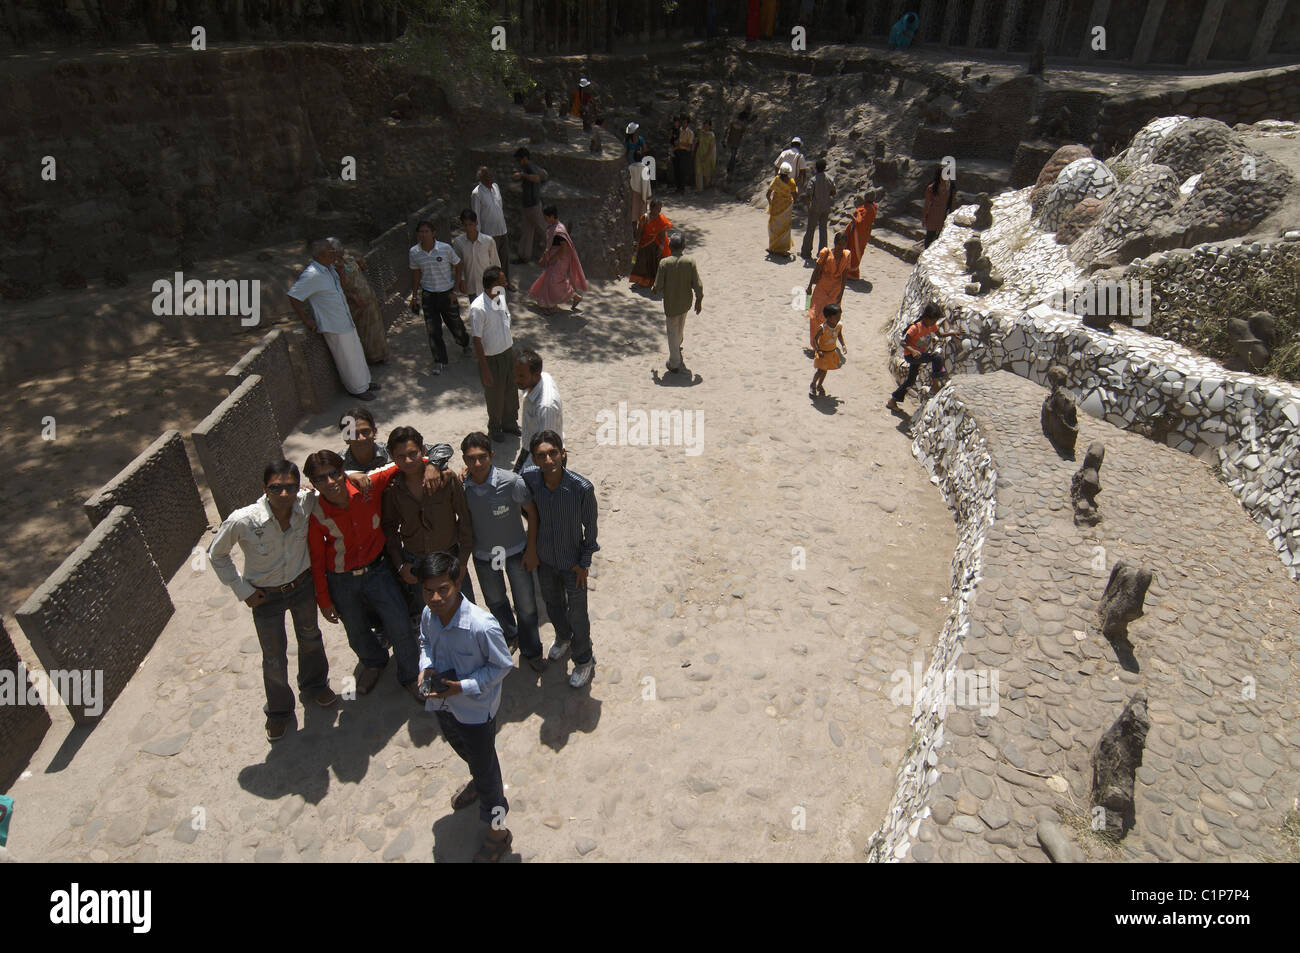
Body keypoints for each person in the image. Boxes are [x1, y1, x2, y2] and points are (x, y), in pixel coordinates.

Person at [208, 460, 338, 742]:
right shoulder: (243, 520)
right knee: (274, 657)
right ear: (264, 488)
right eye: (275, 487)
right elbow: (216, 554)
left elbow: (338, 480)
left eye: (290, 487)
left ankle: (315, 685)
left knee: (311, 637)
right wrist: (243, 590)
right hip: (265, 596)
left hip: (301, 586)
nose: (283, 494)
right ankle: (279, 711)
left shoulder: (305, 502)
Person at [414, 552, 514, 863]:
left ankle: (499, 833)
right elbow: (424, 642)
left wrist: (463, 687)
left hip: (475, 713)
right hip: (445, 707)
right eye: (428, 590)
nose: (435, 597)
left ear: (458, 583)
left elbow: (502, 666)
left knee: (489, 777)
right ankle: (478, 777)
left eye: (443, 588)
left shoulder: (482, 627)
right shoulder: (430, 614)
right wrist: (425, 667)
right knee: (468, 755)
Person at [304, 450, 422, 699]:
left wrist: (430, 466)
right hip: (341, 579)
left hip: (378, 570)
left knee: (399, 622)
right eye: (320, 479)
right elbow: (316, 560)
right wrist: (324, 601)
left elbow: (409, 459)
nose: (329, 483)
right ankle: (373, 662)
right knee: (356, 630)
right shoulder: (313, 510)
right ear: (313, 483)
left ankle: (411, 675)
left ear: (342, 471)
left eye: (334, 474)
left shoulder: (370, 484)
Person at [521, 431, 599, 689]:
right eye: (541, 455)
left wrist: (584, 562)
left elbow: (591, 528)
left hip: (572, 563)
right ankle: (563, 638)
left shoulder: (581, 488)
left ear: (562, 453)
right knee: (553, 605)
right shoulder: (529, 479)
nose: (548, 460)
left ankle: (584, 658)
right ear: (534, 459)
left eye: (553, 453)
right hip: (545, 561)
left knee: (577, 614)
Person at [459, 432, 544, 671]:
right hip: (485, 557)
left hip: (516, 552)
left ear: (491, 456)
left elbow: (532, 514)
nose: (477, 464)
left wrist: (531, 549)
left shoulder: (512, 482)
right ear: (464, 460)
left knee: (526, 606)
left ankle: (532, 650)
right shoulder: (461, 486)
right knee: (496, 602)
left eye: (482, 457)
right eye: (471, 458)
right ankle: (510, 636)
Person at [382, 427, 477, 610]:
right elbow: (390, 528)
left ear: (423, 451)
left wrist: (463, 562)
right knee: (429, 615)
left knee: (465, 611)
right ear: (392, 457)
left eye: (413, 453)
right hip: (417, 563)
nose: (408, 461)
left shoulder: (445, 479)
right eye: (401, 456)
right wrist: (400, 565)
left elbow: (464, 519)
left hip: (450, 557)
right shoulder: (392, 489)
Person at [288, 239, 376, 401]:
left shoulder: (329, 269)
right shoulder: (312, 275)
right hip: (333, 323)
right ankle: (356, 388)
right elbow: (294, 296)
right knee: (346, 357)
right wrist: (307, 320)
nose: (335, 254)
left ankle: (365, 382)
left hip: (344, 317)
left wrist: (341, 274)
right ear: (321, 255)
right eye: (331, 251)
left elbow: (339, 289)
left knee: (356, 351)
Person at [408, 220, 470, 376]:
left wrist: (455, 289)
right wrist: (414, 296)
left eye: (426, 231)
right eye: (421, 232)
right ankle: (439, 360)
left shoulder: (445, 249)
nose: (424, 235)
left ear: (433, 233)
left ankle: (464, 343)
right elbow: (416, 275)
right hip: (428, 295)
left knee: (455, 323)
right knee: (432, 330)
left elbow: (457, 265)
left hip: (446, 293)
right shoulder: (414, 252)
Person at [469, 266, 520, 442]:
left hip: (508, 353)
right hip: (492, 359)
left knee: (510, 391)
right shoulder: (478, 308)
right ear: (492, 285)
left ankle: (510, 423)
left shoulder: (501, 297)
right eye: (502, 281)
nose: (505, 284)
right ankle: (495, 427)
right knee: (495, 395)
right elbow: (476, 340)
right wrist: (484, 369)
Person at [886, 303, 959, 409]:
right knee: (936, 358)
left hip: (918, 356)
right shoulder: (915, 328)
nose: (934, 323)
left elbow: (940, 335)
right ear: (925, 317)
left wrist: (953, 333)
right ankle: (935, 385)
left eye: (935, 321)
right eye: (932, 320)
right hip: (911, 356)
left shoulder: (931, 326)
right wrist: (913, 351)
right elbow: (903, 342)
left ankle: (892, 401)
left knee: (910, 381)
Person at [651, 232, 703, 375]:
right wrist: (699, 300)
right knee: (680, 325)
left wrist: (653, 289)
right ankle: (678, 344)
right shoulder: (690, 262)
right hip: (685, 302)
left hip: (671, 303)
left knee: (672, 330)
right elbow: (697, 283)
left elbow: (658, 285)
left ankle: (674, 362)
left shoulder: (664, 263)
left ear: (669, 246)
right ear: (684, 246)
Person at [330, 238, 389, 364]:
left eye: (340, 248)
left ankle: (381, 353)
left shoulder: (349, 260)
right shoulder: (333, 268)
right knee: (364, 329)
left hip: (368, 297)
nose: (339, 251)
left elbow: (361, 270)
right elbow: (339, 287)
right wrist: (352, 296)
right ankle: (371, 357)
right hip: (357, 303)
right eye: (336, 249)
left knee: (376, 327)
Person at [528, 206, 588, 313]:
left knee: (554, 282)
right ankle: (573, 297)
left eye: (546, 217)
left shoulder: (559, 231)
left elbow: (564, 248)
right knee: (549, 280)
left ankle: (551, 305)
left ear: (551, 217)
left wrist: (553, 259)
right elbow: (549, 246)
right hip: (554, 259)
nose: (545, 219)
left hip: (560, 261)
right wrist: (545, 257)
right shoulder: (553, 227)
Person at [513, 348, 563, 473]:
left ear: (535, 375)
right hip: (530, 448)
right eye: (515, 374)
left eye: (521, 376)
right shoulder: (542, 377)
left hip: (544, 460)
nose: (516, 380)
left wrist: (526, 474)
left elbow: (545, 448)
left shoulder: (545, 407)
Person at [805, 231, 852, 348]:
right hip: (822, 287)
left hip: (835, 290)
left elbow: (845, 275)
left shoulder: (847, 255)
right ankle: (815, 343)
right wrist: (810, 285)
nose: (841, 247)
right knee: (815, 315)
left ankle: (826, 342)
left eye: (843, 244)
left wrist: (841, 293)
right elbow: (817, 269)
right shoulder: (826, 253)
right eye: (839, 244)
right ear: (835, 243)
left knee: (831, 317)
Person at [452, 209, 503, 308]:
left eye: (470, 224)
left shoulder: (488, 241)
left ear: (476, 223)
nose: (468, 228)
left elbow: (495, 263)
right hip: (471, 284)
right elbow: (459, 265)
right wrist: (461, 280)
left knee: (494, 313)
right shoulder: (459, 242)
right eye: (465, 225)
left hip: (489, 285)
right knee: (477, 313)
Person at [471, 166, 512, 284]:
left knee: (504, 259)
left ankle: (506, 282)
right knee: (492, 261)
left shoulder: (495, 187)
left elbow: (500, 207)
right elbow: (476, 216)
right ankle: (493, 284)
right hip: (489, 233)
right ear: (481, 178)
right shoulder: (477, 193)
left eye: (491, 175)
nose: (490, 178)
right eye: (487, 176)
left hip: (502, 229)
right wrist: (477, 235)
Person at [512, 147, 548, 264]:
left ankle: (556, 253)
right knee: (527, 232)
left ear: (524, 159)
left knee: (544, 230)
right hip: (527, 206)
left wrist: (523, 175)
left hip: (533, 206)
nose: (519, 163)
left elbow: (537, 178)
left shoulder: (530, 168)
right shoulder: (528, 168)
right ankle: (524, 257)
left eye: (519, 160)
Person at [629, 199, 672, 289]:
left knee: (656, 263)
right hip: (644, 245)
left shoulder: (661, 219)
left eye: (660, 208)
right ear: (651, 208)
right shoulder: (644, 218)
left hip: (656, 245)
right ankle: (641, 281)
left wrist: (661, 246)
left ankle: (656, 281)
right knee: (642, 263)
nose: (659, 210)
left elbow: (662, 234)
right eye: (657, 208)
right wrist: (636, 243)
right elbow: (639, 232)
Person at [800, 157, 837, 261]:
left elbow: (808, 193)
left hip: (815, 207)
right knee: (823, 230)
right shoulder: (829, 178)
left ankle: (806, 252)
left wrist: (808, 206)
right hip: (825, 207)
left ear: (816, 168)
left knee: (810, 230)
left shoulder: (813, 180)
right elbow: (834, 192)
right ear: (825, 168)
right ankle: (823, 253)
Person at [810, 303, 846, 399]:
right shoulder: (823, 328)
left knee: (825, 371)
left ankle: (819, 385)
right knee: (820, 371)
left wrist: (843, 345)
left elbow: (839, 335)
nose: (839, 318)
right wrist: (818, 350)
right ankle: (813, 385)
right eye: (836, 316)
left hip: (831, 352)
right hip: (822, 353)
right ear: (829, 317)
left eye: (840, 316)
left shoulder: (839, 325)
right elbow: (815, 339)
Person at [766, 163, 798, 257]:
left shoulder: (776, 180)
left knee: (773, 228)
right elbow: (795, 195)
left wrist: (771, 204)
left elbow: (768, 195)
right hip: (787, 208)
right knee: (785, 228)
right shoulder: (792, 182)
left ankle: (773, 248)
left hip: (776, 207)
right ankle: (783, 249)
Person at [845, 192, 878, 280]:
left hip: (859, 234)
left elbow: (860, 223)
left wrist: (852, 216)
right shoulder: (871, 207)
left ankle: (852, 273)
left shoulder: (868, 209)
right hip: (863, 233)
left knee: (855, 251)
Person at [922, 165, 956, 248]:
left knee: (940, 235)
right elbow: (927, 204)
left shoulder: (950, 186)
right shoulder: (932, 188)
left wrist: (952, 214)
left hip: (944, 212)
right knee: (930, 234)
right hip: (933, 213)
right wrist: (924, 217)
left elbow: (953, 201)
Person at [625, 121, 651, 220]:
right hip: (636, 160)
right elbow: (645, 149)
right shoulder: (639, 139)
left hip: (633, 160)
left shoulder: (631, 141)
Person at [672, 115, 695, 195]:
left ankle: (682, 188)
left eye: (685, 122)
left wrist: (680, 143)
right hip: (677, 151)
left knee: (683, 170)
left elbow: (689, 145)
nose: (683, 124)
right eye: (683, 122)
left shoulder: (690, 133)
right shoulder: (679, 130)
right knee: (676, 169)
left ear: (687, 123)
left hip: (685, 152)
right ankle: (678, 187)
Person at [724, 110, 749, 177]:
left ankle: (729, 168)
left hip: (730, 141)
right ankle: (730, 169)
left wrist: (724, 139)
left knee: (731, 155)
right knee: (733, 155)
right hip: (736, 143)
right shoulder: (743, 126)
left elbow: (727, 130)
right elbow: (743, 135)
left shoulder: (732, 123)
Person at [695, 118, 716, 189]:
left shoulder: (711, 135)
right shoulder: (700, 133)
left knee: (707, 172)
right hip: (699, 153)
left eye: (707, 126)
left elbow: (711, 147)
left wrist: (706, 156)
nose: (706, 127)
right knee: (698, 171)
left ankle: (707, 186)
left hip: (707, 154)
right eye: (705, 125)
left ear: (710, 126)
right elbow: (697, 142)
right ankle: (699, 188)